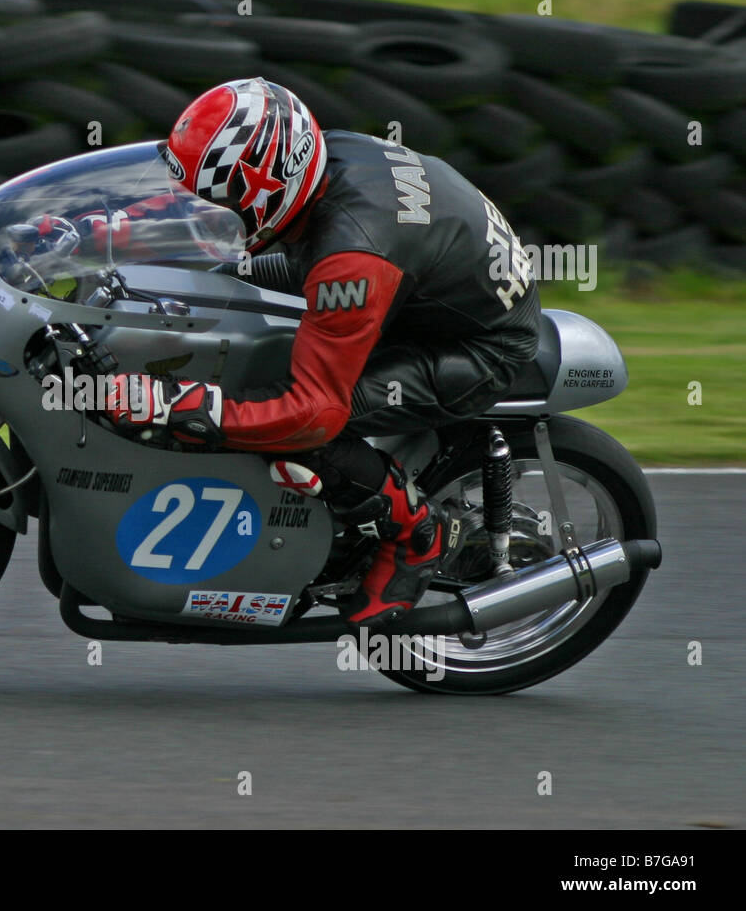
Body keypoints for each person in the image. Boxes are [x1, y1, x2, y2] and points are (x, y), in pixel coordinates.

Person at [104, 77, 542, 626]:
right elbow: (195, 224)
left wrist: (180, 408)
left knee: (288, 427)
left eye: (217, 203)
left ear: (267, 195)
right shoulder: (314, 153)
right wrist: (102, 230)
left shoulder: (350, 260)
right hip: (419, 284)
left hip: (475, 346)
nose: (204, 211)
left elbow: (314, 413)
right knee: (213, 277)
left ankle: (416, 533)